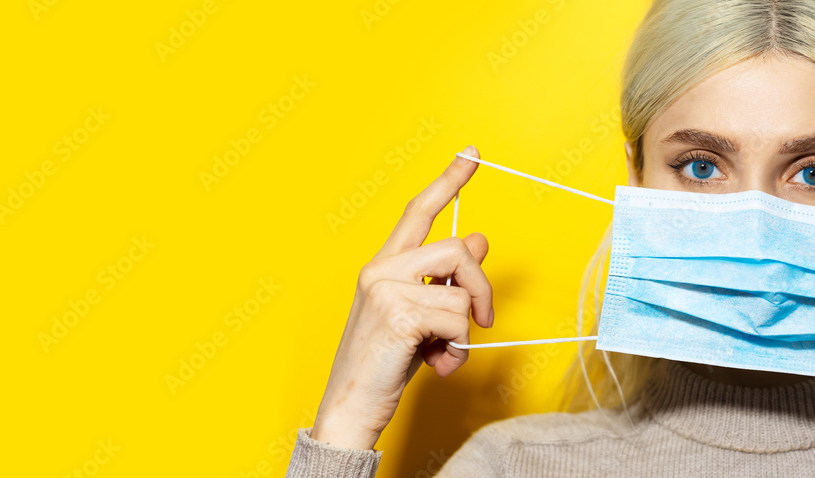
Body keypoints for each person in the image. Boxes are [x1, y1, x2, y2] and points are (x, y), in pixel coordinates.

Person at [285, 0, 815, 476]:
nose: (754, 225)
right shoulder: (514, 467)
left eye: (810, 173)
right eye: (701, 167)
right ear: (636, 179)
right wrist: (345, 425)